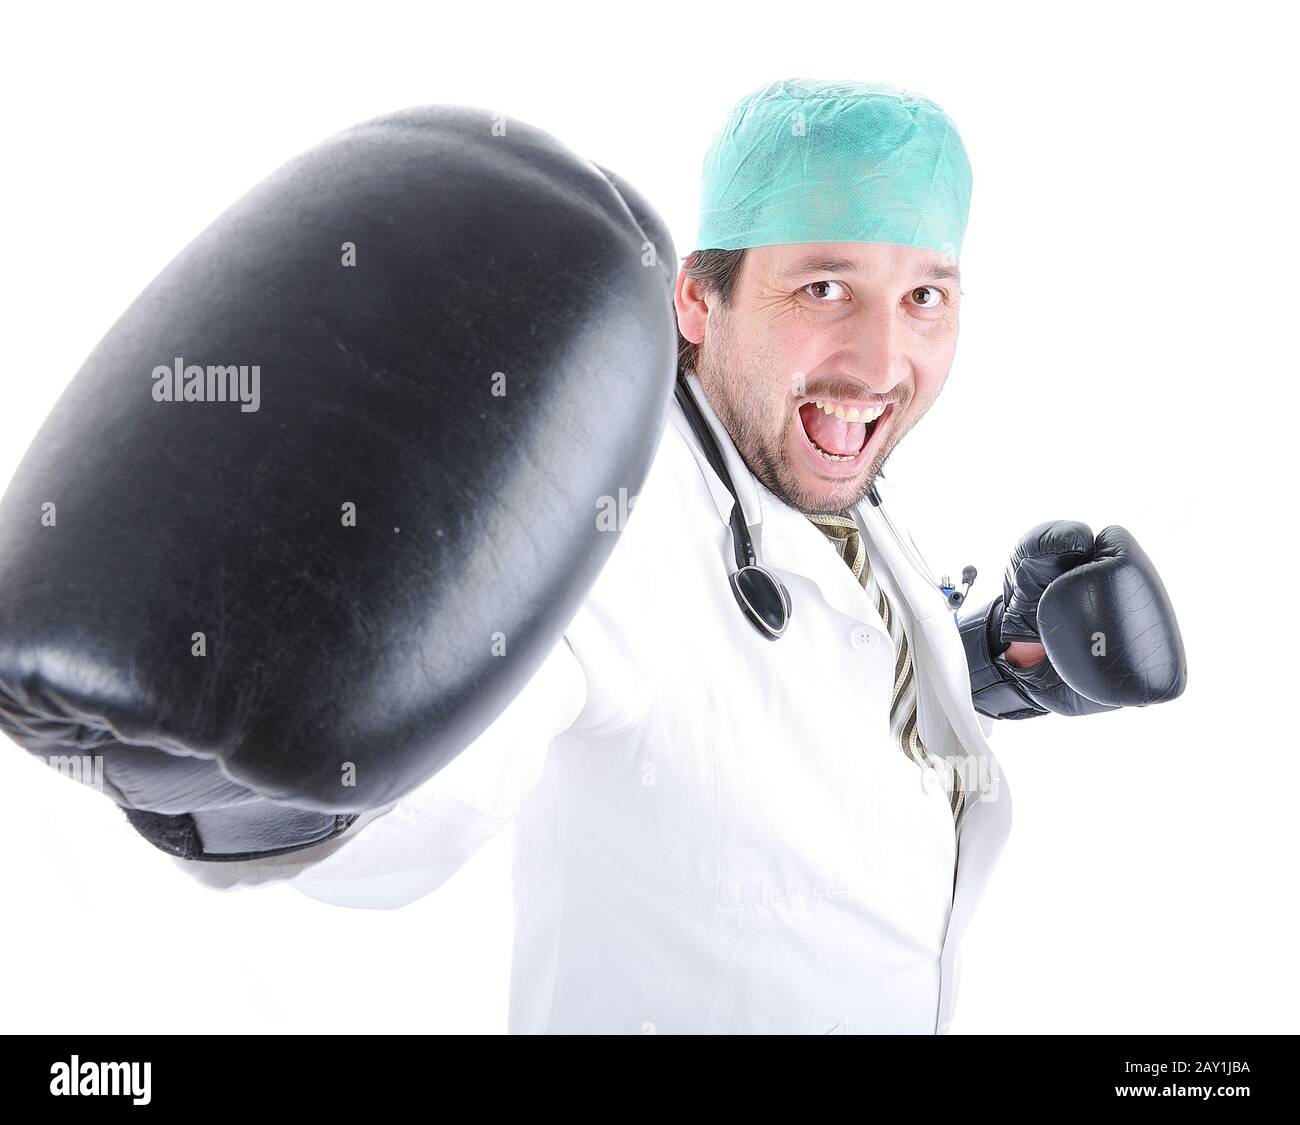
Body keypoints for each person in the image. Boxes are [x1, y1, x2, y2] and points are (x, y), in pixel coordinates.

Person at [0, 84, 1185, 1035]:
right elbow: (417, 804)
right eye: (822, 286)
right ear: (696, 304)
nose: (880, 360)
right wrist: (223, 784)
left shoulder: (809, 468)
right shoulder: (608, 529)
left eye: (925, 295)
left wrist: (980, 668)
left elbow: (768, 699)